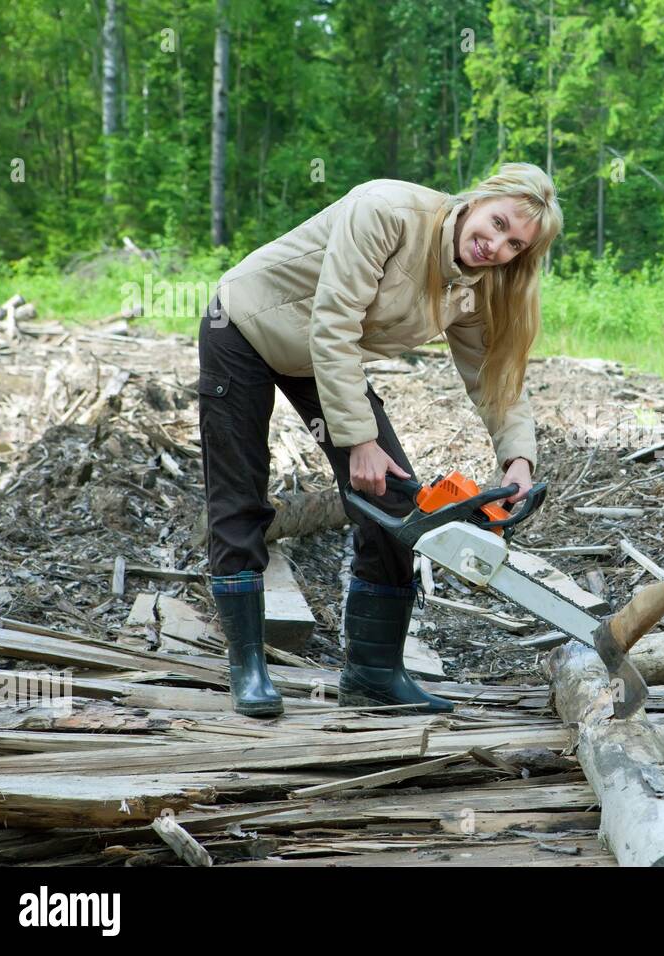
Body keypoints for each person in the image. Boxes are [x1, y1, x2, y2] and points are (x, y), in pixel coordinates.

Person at [196, 163, 562, 717]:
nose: (497, 246)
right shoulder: (388, 211)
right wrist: (359, 440)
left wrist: (518, 460)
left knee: (395, 507)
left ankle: (371, 674)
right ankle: (248, 669)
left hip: (319, 357)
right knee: (240, 496)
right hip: (245, 327)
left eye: (515, 244)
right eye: (498, 223)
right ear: (479, 199)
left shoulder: (472, 284)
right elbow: (335, 321)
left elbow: (494, 376)